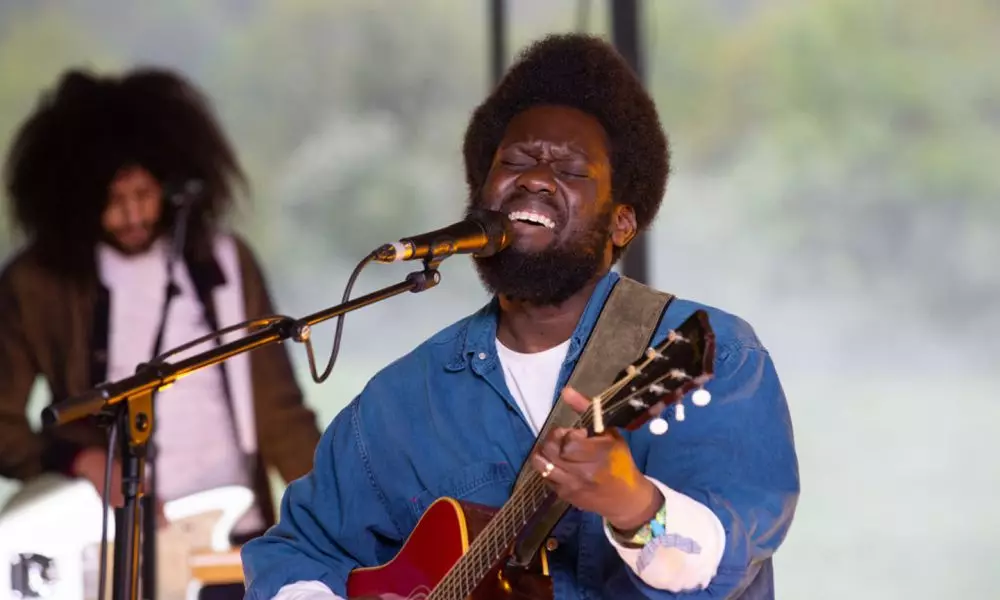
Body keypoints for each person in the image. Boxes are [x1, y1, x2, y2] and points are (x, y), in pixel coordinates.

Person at [241, 33, 800, 600]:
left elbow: (728, 557)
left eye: (571, 169)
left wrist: (634, 505)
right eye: (514, 161)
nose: (534, 177)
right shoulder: (402, 401)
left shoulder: (710, 352)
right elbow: (296, 552)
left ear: (622, 223)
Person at [0, 68, 321, 598]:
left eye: (143, 193)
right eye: (111, 199)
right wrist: (74, 460)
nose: (130, 215)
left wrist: (333, 513)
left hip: (235, 538)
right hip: (114, 548)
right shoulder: (37, 283)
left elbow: (280, 411)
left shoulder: (224, 259)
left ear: (171, 185)